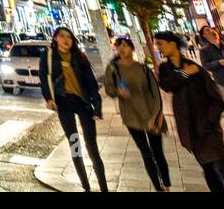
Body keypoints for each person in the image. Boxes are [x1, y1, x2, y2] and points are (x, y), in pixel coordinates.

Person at [154, 30, 224, 191]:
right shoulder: (166, 68)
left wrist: (210, 120)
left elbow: (216, 98)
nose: (158, 47)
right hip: (189, 128)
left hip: (208, 127)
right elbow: (167, 85)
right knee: (208, 168)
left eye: (160, 43)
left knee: (221, 166)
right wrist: (184, 73)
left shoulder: (194, 67)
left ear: (172, 44)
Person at [39, 25, 108, 192]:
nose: (66, 40)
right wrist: (48, 98)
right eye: (62, 36)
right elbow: (43, 77)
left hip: (83, 104)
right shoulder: (48, 56)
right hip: (64, 104)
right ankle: (86, 188)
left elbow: (91, 84)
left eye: (69, 37)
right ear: (55, 38)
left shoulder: (79, 56)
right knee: (75, 146)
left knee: (93, 149)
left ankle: (104, 188)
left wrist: (97, 107)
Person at [103, 35, 171, 190]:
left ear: (132, 48)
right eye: (118, 45)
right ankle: (158, 186)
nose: (121, 48)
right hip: (131, 116)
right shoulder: (112, 68)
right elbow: (109, 89)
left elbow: (156, 92)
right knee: (146, 153)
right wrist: (118, 92)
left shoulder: (142, 68)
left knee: (158, 152)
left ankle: (166, 183)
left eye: (125, 45)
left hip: (150, 114)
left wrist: (157, 115)